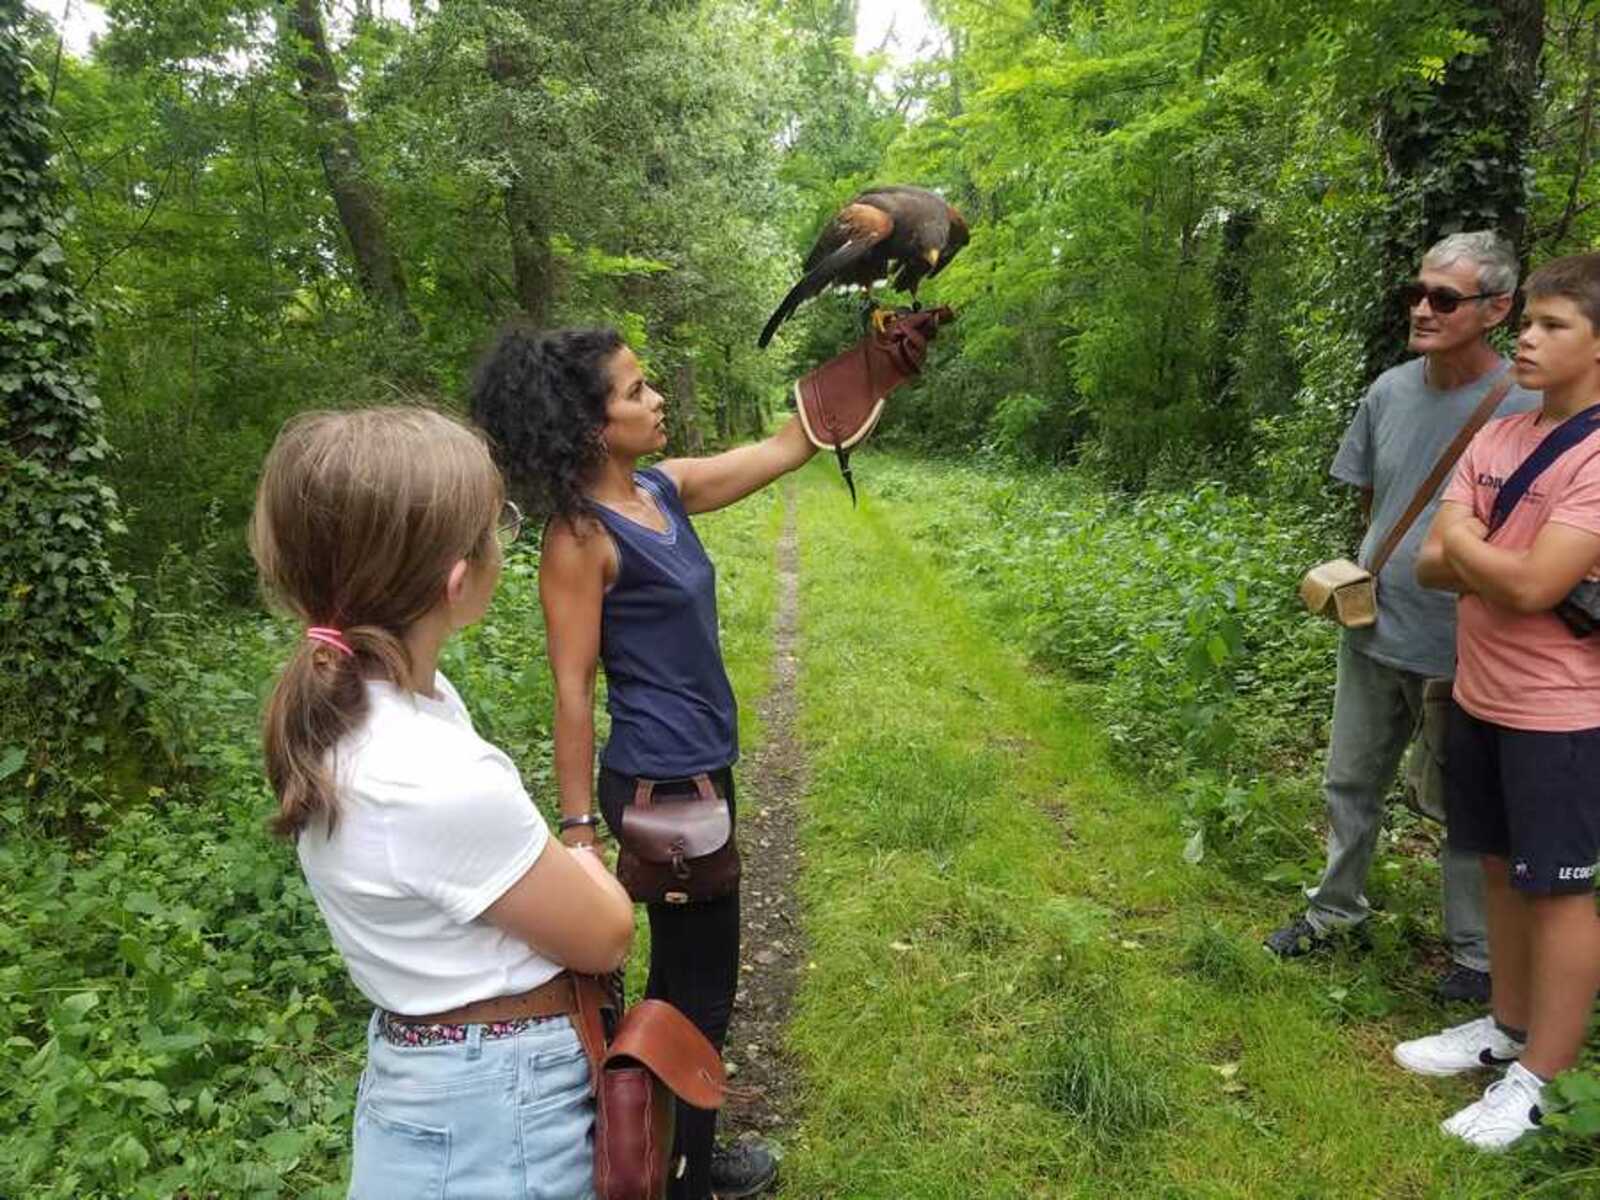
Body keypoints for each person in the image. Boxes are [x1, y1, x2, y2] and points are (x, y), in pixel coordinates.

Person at [250, 406, 635, 1198]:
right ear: (458, 581)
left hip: (445, 1082)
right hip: (501, 1110)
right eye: (498, 525)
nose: (505, 538)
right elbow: (607, 934)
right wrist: (583, 853)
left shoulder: (375, 707)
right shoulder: (428, 775)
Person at [471, 327, 819, 1200]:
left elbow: (785, 448)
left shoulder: (662, 490)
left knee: (680, 983)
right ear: (592, 428)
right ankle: (687, 1175)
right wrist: (579, 831)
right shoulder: (579, 539)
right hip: (664, 791)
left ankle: (665, 1157)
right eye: (635, 392)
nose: (656, 399)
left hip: (699, 773)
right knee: (700, 992)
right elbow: (572, 691)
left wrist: (864, 372)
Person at [1265, 231, 1537, 1002]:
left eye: (1444, 299)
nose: (1422, 309)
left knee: (1461, 804)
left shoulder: (1530, 408)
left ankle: (1476, 956)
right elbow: (1371, 500)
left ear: (1496, 309)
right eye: (1416, 293)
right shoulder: (1387, 391)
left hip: (1468, 645)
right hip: (1373, 626)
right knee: (1349, 779)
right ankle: (1334, 911)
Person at [1396, 252, 1600, 1150]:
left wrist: (1471, 541)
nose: (1528, 337)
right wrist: (1488, 557)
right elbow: (1429, 564)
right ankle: (1507, 1026)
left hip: (1562, 713)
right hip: (1481, 693)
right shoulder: (1502, 435)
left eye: (1555, 325)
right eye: (1529, 321)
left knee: (1556, 893)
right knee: (1495, 866)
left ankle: (1542, 1080)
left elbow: (1530, 585)